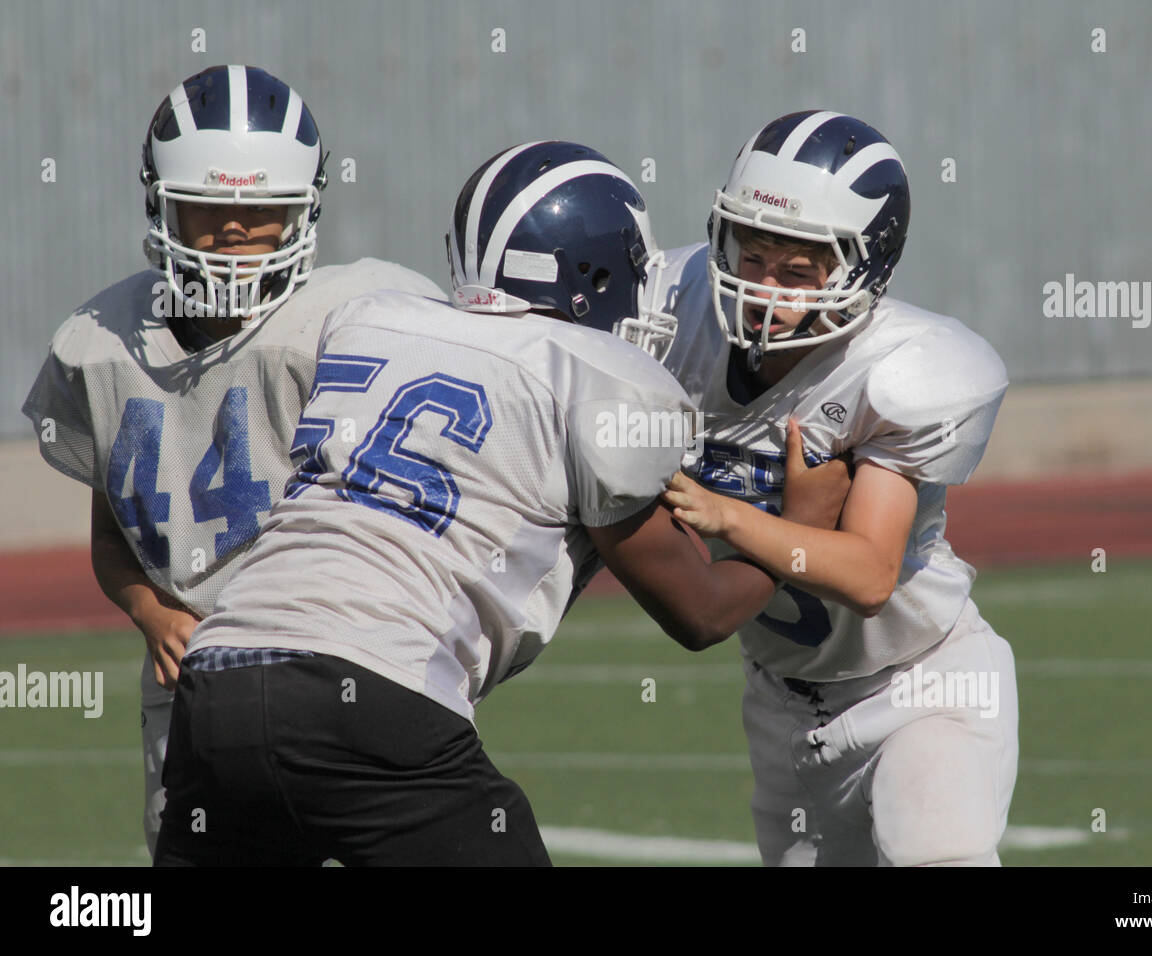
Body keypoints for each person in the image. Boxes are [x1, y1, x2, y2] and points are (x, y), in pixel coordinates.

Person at [151, 141, 845, 867]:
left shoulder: (373, 322)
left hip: (219, 679)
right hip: (371, 686)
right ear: (597, 274)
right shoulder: (593, 372)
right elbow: (699, 610)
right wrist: (795, 532)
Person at [21, 64, 444, 857]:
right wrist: (154, 614)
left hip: (341, 669)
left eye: (264, 213)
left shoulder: (345, 321)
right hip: (192, 687)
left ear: (306, 213)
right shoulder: (99, 344)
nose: (233, 233)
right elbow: (112, 536)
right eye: (209, 208)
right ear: (161, 203)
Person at [655, 110, 1019, 866]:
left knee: (935, 855)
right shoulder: (670, 308)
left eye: (796, 273)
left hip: (923, 684)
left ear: (863, 269)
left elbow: (868, 573)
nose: (763, 290)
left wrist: (728, 516)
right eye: (752, 256)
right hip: (783, 706)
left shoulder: (900, 370)